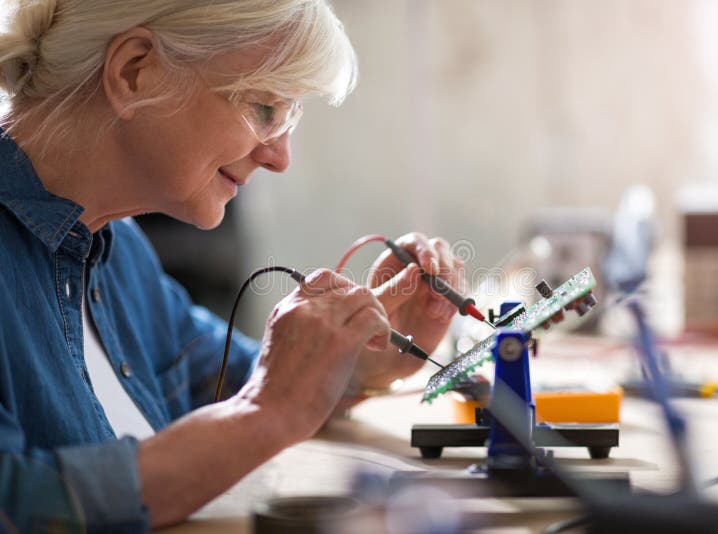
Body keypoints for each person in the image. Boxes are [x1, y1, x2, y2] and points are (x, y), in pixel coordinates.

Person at [0, 0, 464, 531]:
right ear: (134, 72)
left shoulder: (114, 248)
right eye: (264, 107)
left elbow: (220, 377)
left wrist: (357, 357)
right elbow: (15, 503)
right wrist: (264, 414)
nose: (279, 157)